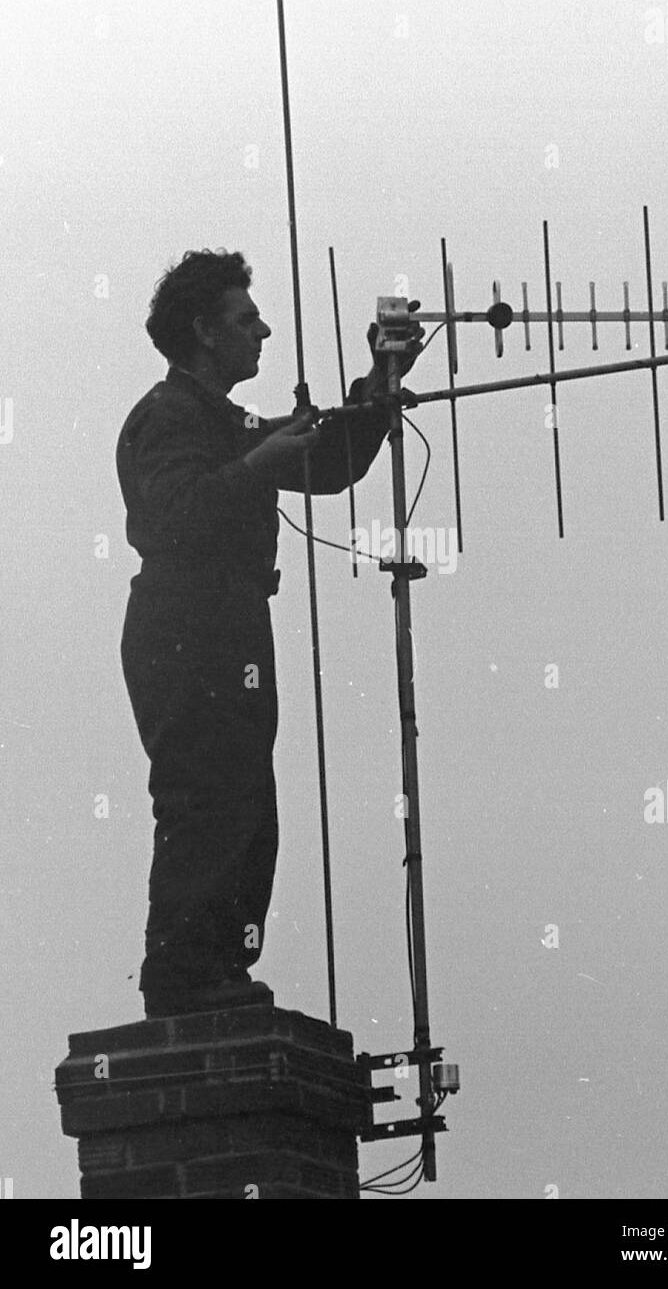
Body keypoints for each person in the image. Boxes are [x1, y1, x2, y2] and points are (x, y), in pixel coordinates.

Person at [116, 248, 423, 1017]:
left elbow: (324, 460)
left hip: (229, 621)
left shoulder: (228, 421)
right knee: (208, 794)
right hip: (186, 625)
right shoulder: (168, 417)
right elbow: (173, 516)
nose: (263, 331)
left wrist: (377, 391)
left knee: (246, 799)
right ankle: (186, 981)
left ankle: (219, 971)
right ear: (204, 332)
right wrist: (258, 466)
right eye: (245, 318)